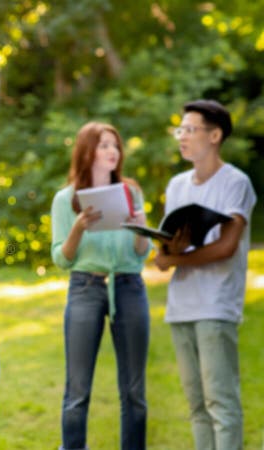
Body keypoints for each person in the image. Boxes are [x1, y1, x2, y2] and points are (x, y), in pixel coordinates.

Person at [154, 100, 256, 450]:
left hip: (216, 306)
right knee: (197, 407)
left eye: (190, 129)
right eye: (179, 129)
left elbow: (227, 246)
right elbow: (163, 257)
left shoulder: (236, 182)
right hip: (180, 307)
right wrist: (167, 254)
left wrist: (177, 259)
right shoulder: (177, 184)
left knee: (221, 404)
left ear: (214, 135)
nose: (181, 136)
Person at [50, 122, 151, 450]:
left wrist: (141, 229)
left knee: (134, 392)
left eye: (116, 145)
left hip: (129, 286)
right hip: (85, 289)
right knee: (77, 392)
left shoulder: (131, 192)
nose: (113, 151)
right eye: (105, 145)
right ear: (87, 151)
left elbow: (141, 254)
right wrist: (79, 228)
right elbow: (62, 259)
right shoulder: (66, 200)